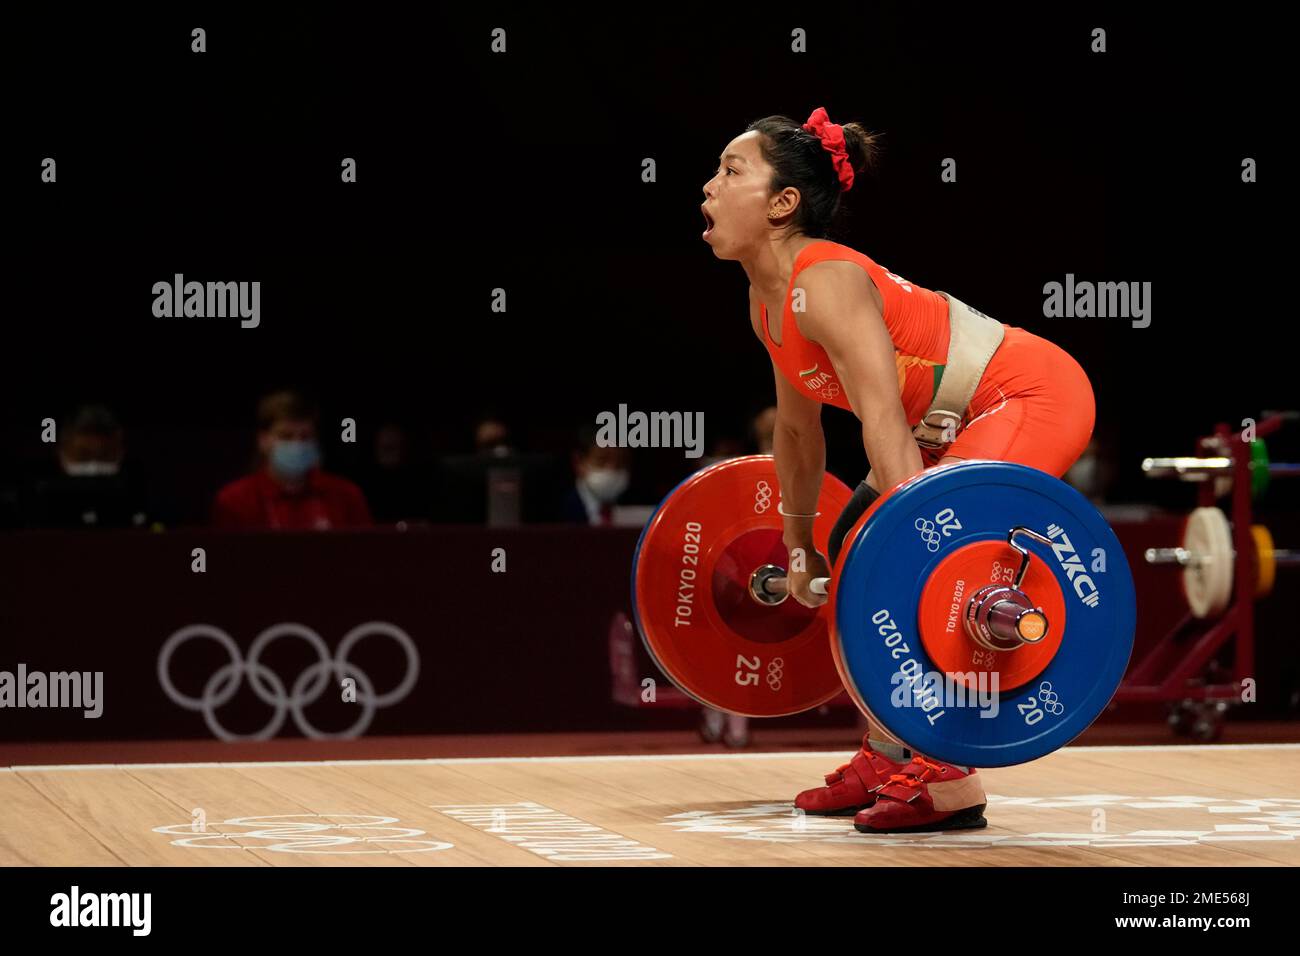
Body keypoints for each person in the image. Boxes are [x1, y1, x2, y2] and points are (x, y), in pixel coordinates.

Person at [700, 107, 1096, 833]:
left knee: (927, 565)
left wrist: (913, 541)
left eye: (731, 172)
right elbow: (795, 428)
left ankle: (948, 776)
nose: (708, 187)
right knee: (854, 549)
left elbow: (882, 418)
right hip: (957, 421)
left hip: (1029, 394)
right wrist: (798, 542)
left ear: (784, 203)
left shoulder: (827, 279)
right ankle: (888, 752)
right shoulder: (768, 304)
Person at [212, 390, 372, 530]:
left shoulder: (347, 496)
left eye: (305, 436)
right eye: (286, 436)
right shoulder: (233, 501)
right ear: (263, 440)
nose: (297, 444)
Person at [561, 425, 631, 525]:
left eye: (621, 462)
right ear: (578, 463)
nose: (612, 469)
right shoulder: (555, 512)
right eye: (602, 460)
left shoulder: (638, 506)